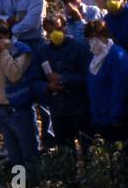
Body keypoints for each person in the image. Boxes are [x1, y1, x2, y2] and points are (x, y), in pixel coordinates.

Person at [33, 13, 90, 151]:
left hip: (80, 109)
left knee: (88, 150)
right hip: (58, 112)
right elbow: (35, 81)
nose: (54, 34)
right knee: (65, 154)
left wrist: (63, 79)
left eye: (57, 29)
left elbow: (87, 77)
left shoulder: (79, 48)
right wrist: (48, 87)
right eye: (50, 31)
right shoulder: (42, 52)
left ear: (65, 27)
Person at [0, 22, 36, 181]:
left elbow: (14, 74)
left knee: (29, 155)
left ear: (9, 36)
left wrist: (4, 52)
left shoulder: (22, 50)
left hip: (20, 109)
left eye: (1, 38)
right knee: (15, 159)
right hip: (4, 110)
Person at [83, 19, 128, 143]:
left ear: (105, 35)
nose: (93, 41)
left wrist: (116, 116)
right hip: (98, 118)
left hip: (114, 120)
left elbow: (119, 88)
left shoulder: (117, 55)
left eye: (96, 37)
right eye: (90, 38)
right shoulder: (94, 58)